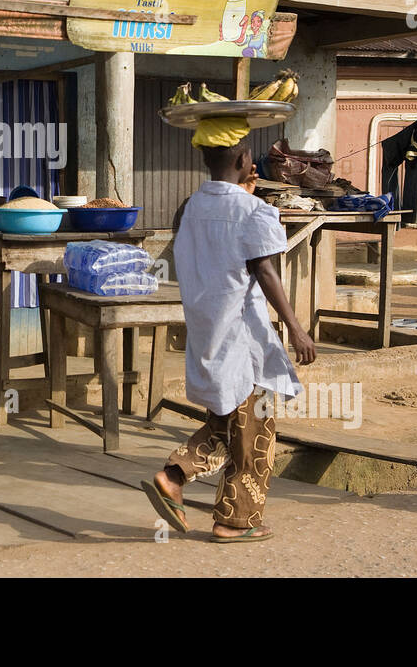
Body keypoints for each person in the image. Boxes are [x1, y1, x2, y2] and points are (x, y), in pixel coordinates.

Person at [142, 114, 316, 543]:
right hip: (243, 341)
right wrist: (296, 329)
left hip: (209, 333)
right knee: (255, 437)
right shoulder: (254, 210)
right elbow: (264, 270)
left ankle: (176, 475)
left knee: (228, 427)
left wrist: (243, 194)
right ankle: (233, 521)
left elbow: (226, 244)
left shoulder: (191, 207)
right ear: (244, 157)